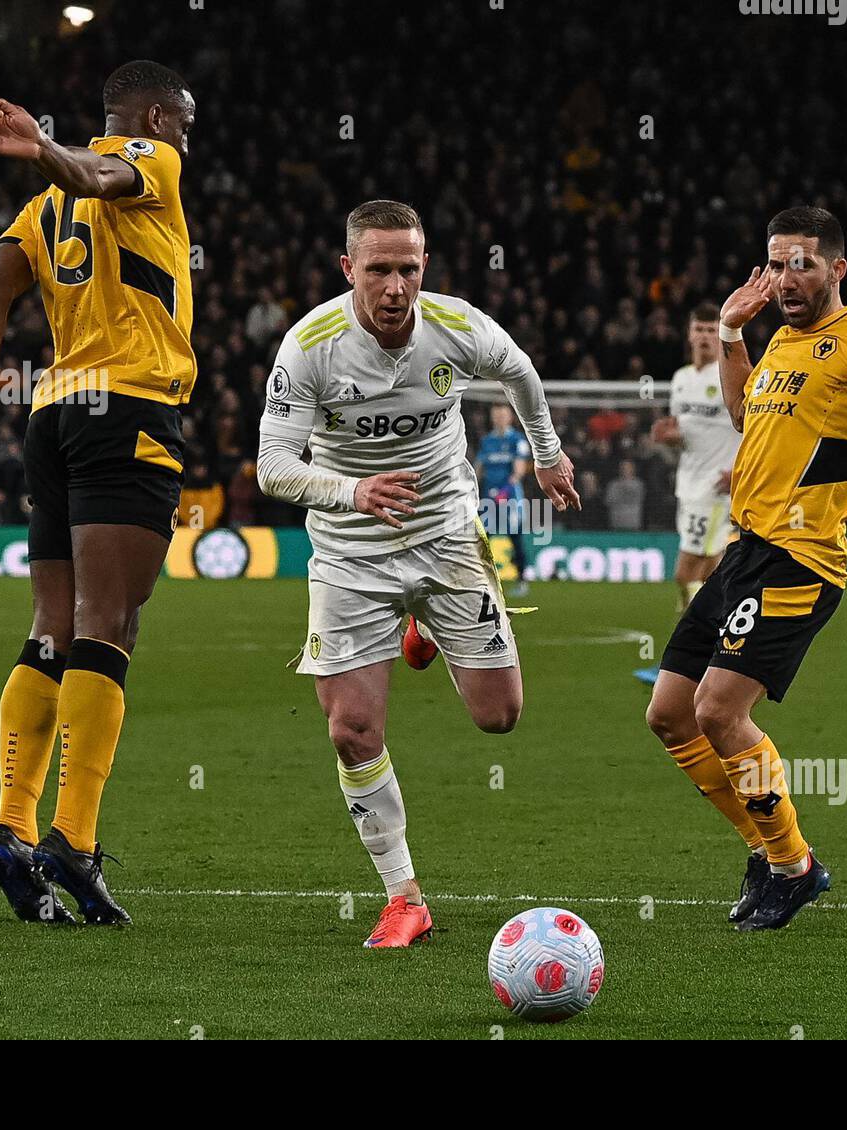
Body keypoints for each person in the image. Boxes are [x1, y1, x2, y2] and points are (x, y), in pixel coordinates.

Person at [255, 200, 579, 947]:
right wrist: (352, 491)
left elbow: (520, 373)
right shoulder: (310, 345)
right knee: (352, 730)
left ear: (424, 265)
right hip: (348, 550)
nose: (395, 286)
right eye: (378, 270)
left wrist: (548, 451)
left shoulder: (457, 327)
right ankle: (405, 897)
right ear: (349, 270)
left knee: (499, 717)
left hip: (445, 537)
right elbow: (272, 466)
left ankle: (421, 624)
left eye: (408, 268)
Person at [0, 61, 197, 925]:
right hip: (130, 411)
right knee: (108, 628)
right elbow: (102, 171)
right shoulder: (147, 162)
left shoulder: (42, 210)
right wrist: (44, 145)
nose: (188, 138)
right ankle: (71, 842)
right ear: (154, 116)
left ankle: (11, 827)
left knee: (52, 627)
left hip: (52, 413)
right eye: (184, 122)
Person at [644, 206, 847, 931]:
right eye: (776, 264)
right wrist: (733, 335)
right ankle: (763, 849)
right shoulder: (777, 341)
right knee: (670, 715)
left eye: (800, 263)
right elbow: (745, 414)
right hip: (745, 549)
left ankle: (794, 865)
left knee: (718, 711)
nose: (785, 278)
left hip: (799, 560)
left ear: (837, 269)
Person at [636, 302, 741, 684]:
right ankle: (707, 658)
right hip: (689, 484)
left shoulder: (730, 374)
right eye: (698, 329)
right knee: (711, 579)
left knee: (684, 574)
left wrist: (740, 470)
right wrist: (669, 437)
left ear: (720, 334)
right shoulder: (681, 379)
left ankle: (686, 657)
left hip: (716, 489)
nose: (703, 336)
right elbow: (689, 434)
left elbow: (756, 427)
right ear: (689, 334)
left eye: (711, 330)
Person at [476, 403, 532, 597]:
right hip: (487, 498)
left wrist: (504, 491)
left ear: (510, 418)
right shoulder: (487, 441)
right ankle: (480, 582)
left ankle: (522, 579)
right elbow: (479, 469)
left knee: (515, 538)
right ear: (492, 418)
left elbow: (519, 471)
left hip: (510, 498)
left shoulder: (517, 440)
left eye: (503, 415)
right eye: (496, 415)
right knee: (483, 539)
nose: (499, 419)